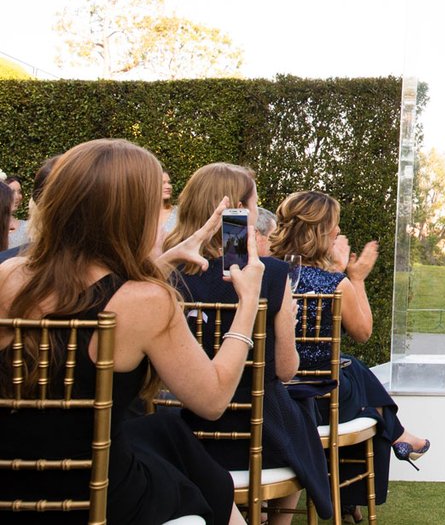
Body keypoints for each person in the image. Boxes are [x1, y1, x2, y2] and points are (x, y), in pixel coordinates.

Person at [0, 138, 263, 525]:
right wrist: (249, 303)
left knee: (166, 433)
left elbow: (90, 292)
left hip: (12, 484)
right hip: (98, 495)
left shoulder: (8, 276)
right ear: (131, 215)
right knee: (182, 451)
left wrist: (167, 258)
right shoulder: (147, 301)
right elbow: (212, 400)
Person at [166, 163, 332, 524]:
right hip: (259, 438)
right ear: (238, 210)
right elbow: (286, 369)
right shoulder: (270, 274)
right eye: (255, 204)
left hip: (180, 433)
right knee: (299, 405)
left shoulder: (164, 273)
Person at [269, 190, 430, 519]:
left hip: (272, 392)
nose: (339, 231)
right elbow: (363, 332)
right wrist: (355, 278)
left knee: (350, 367)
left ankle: (396, 439)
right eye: (335, 226)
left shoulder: (264, 274)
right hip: (321, 397)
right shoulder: (335, 284)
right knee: (358, 382)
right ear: (320, 232)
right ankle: (393, 440)